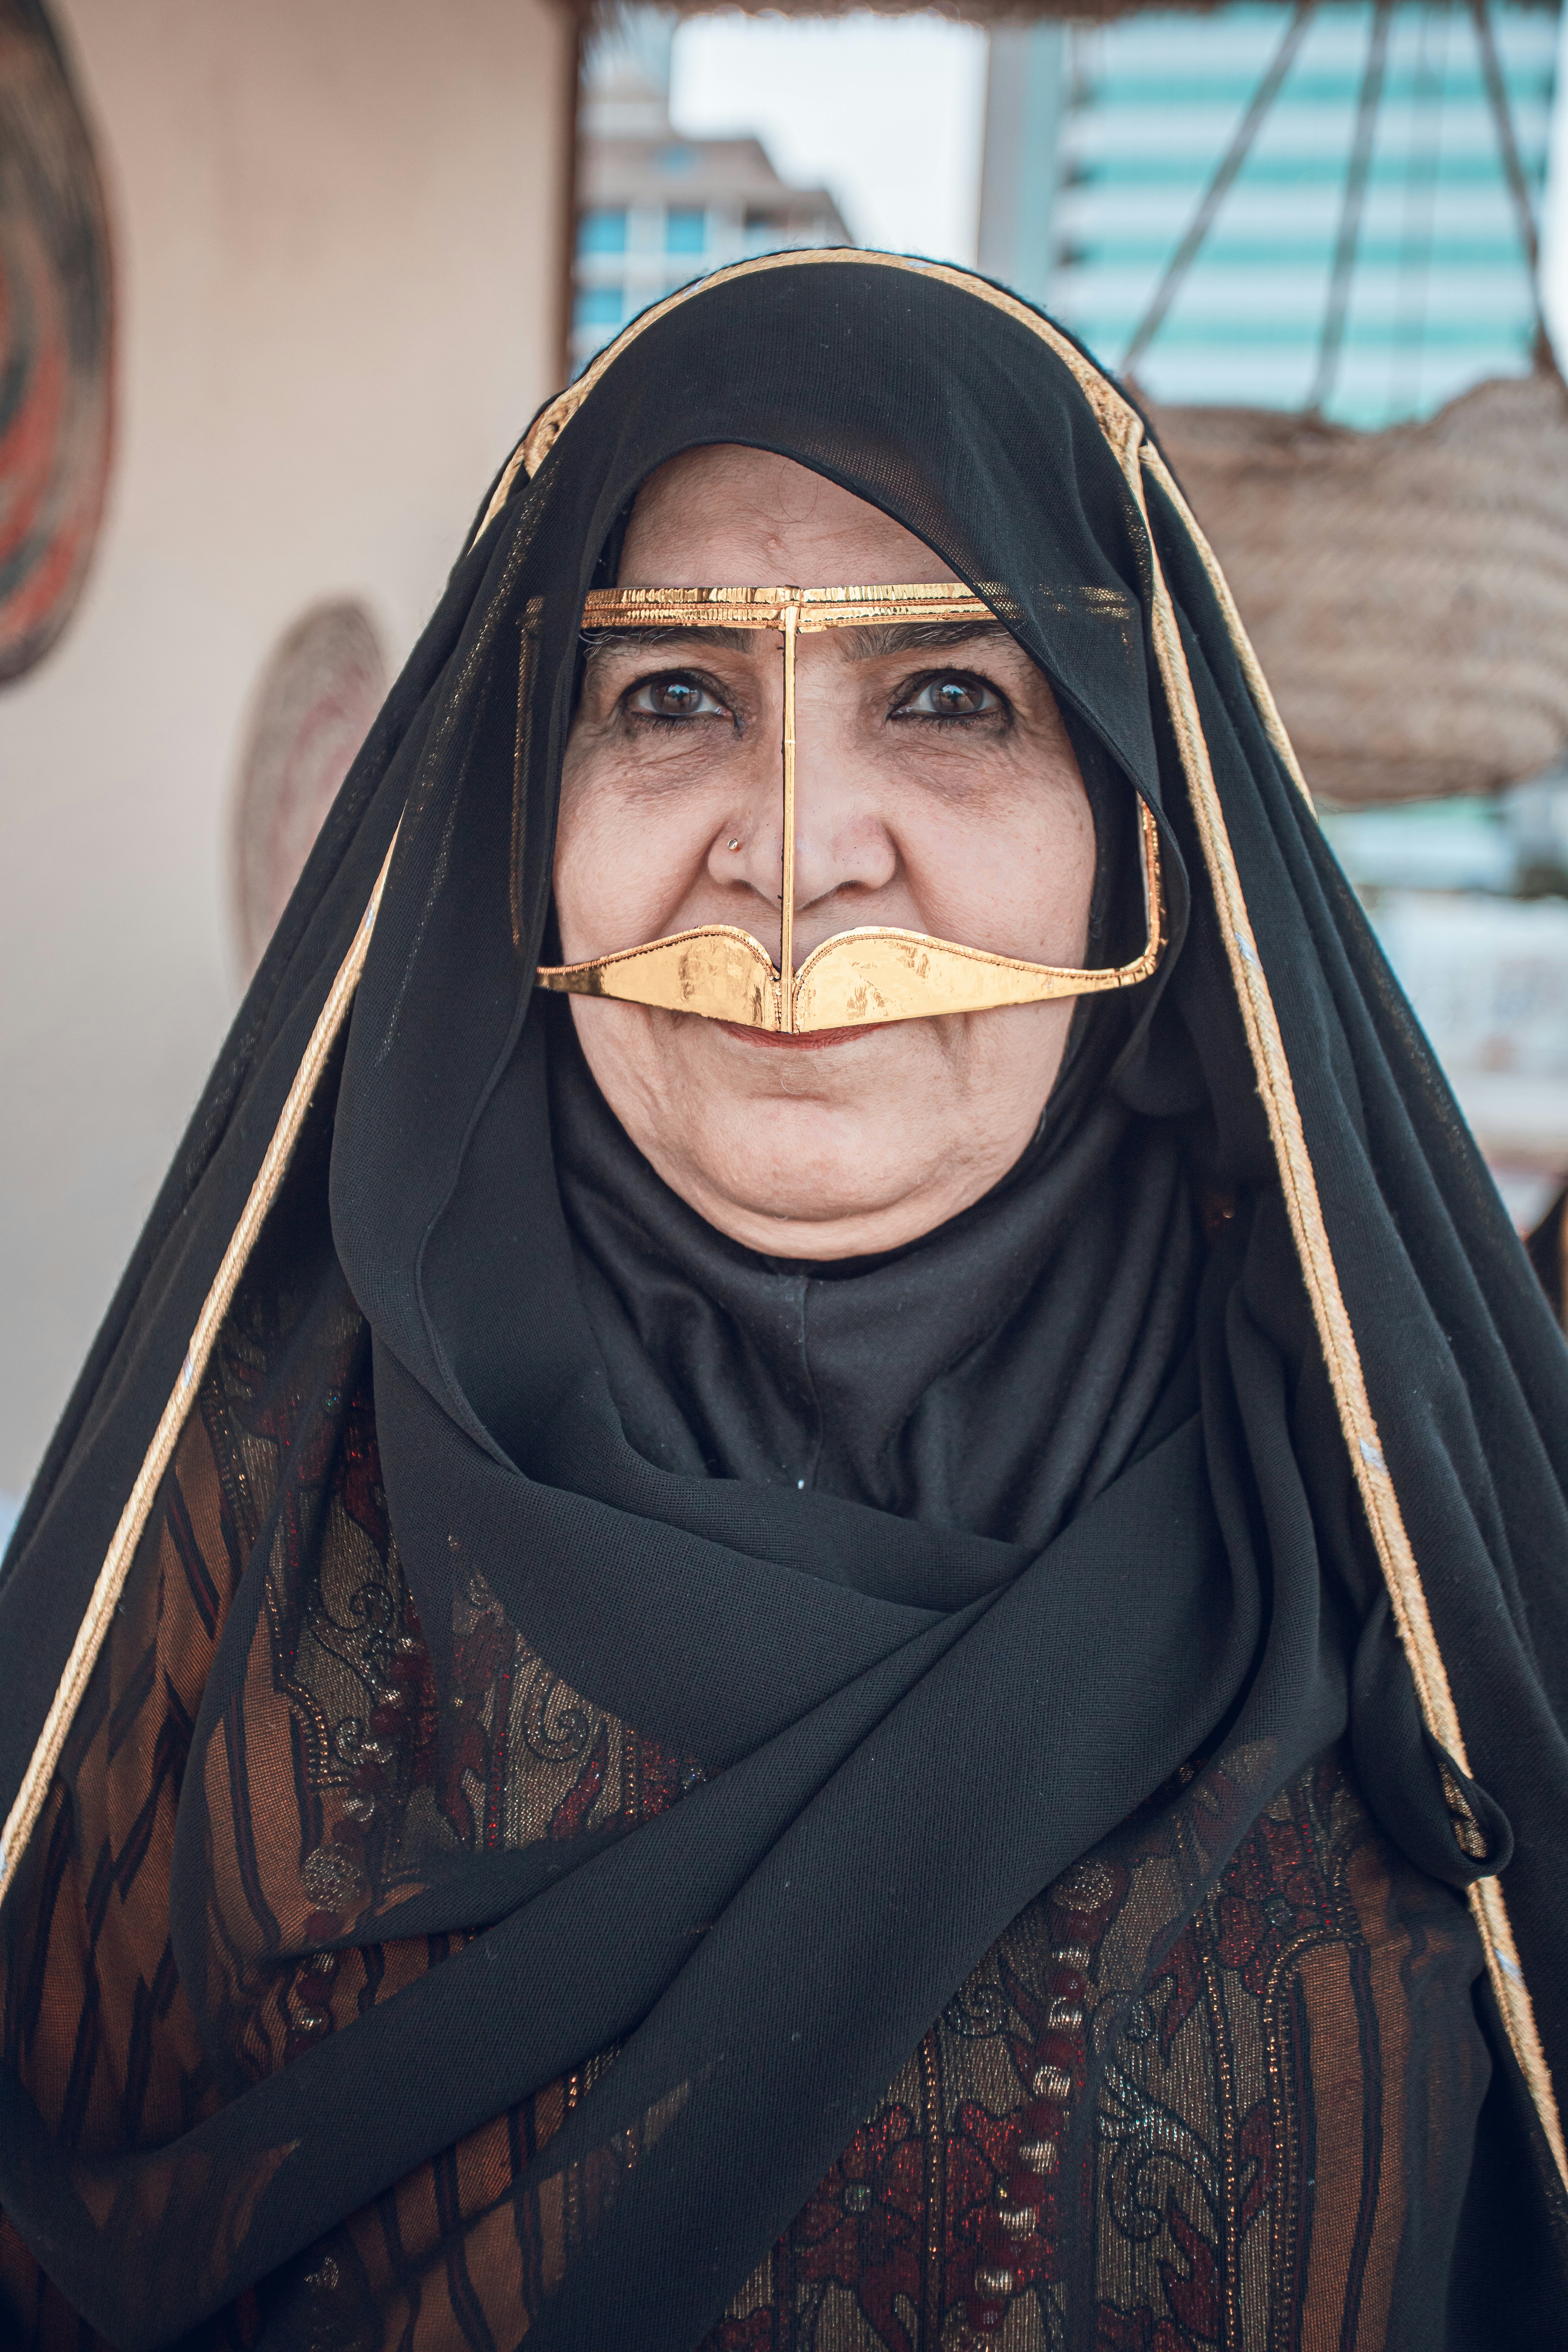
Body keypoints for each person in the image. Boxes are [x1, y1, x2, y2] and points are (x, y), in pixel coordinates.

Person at [0, 253, 1565, 2352]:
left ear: (1141, 830)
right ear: (515, 835)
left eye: (949, 697)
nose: (798, 856)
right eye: (672, 699)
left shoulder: (1399, 1577)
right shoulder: (220, 1545)